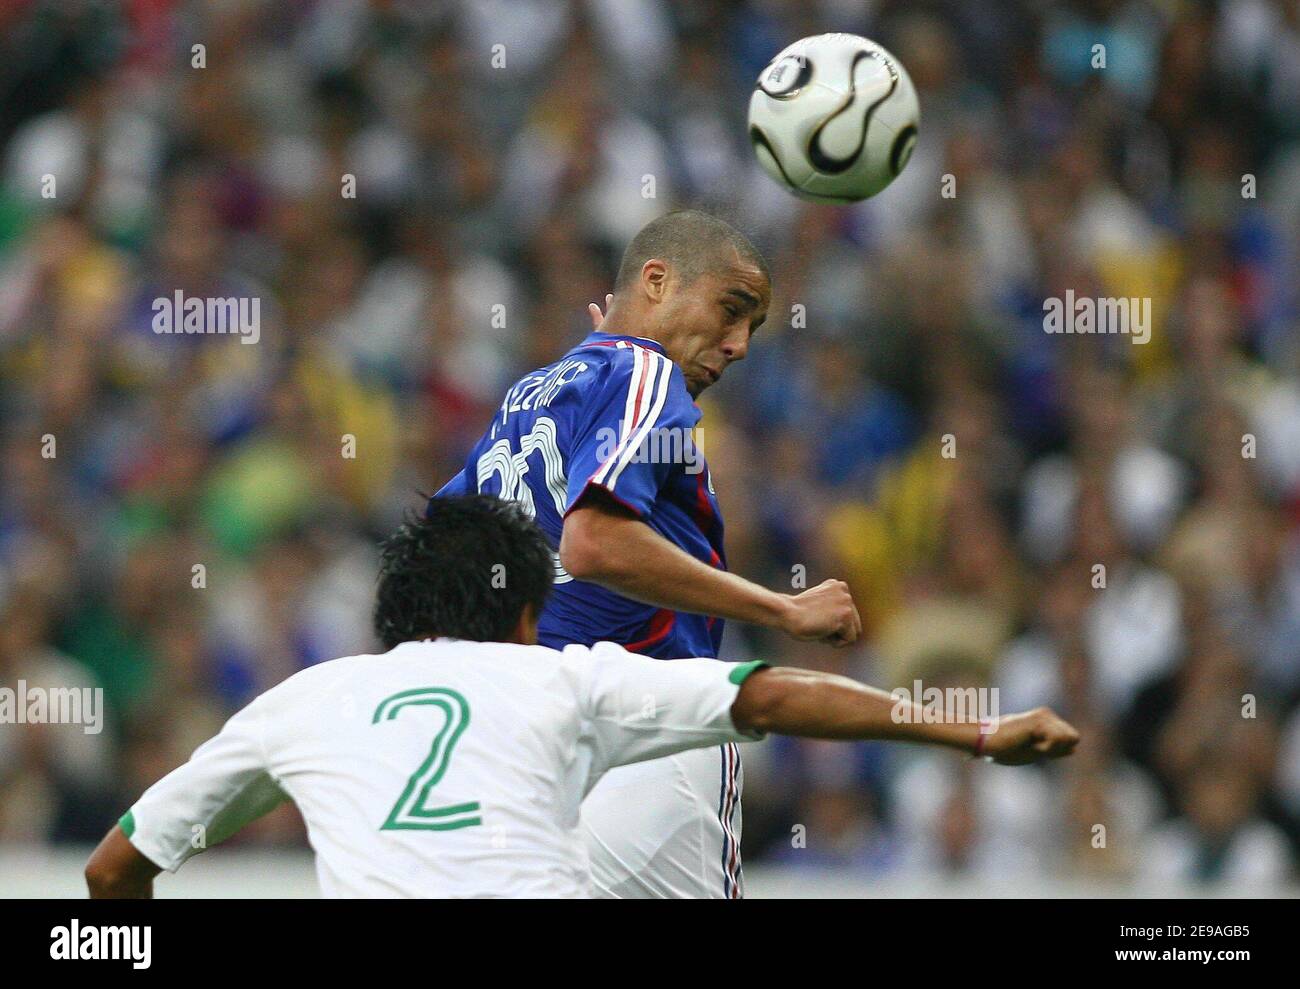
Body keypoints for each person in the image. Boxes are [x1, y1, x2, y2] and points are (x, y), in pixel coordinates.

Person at [86, 496, 1079, 898]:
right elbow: (774, 696)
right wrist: (976, 729)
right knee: (683, 771)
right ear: (527, 613)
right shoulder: (563, 672)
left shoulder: (300, 699)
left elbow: (111, 868)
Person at [432, 209, 861, 897]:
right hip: (647, 728)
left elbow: (437, 548)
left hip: (527, 749)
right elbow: (596, 542)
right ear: (656, 281)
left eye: (752, 325)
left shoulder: (528, 397)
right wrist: (782, 608)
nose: (740, 343)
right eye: (732, 309)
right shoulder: (643, 375)